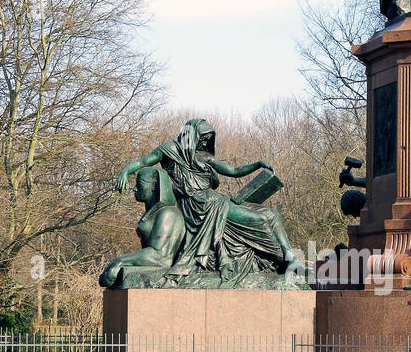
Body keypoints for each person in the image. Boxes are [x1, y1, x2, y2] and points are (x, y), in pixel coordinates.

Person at [114, 119, 297, 285]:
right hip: (197, 206)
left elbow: (233, 171)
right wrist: (125, 172)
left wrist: (257, 164)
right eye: (202, 138)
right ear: (191, 135)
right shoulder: (169, 150)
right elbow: (144, 161)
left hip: (215, 201)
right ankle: (279, 259)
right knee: (257, 220)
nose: (204, 142)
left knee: (272, 214)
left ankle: (291, 260)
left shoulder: (205, 157)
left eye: (208, 139)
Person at [100, 165, 185, 288]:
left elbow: (161, 257)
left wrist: (119, 261)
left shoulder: (168, 214)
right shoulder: (154, 213)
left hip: (165, 267)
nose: (134, 189)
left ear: (154, 186)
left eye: (139, 184)